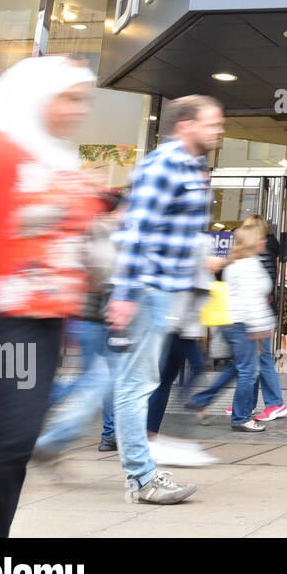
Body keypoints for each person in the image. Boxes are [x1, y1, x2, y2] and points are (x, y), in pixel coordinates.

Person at [0, 56, 102, 536]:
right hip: (1, 320)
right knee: (12, 440)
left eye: (83, 100)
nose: (77, 110)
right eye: (69, 98)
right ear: (35, 95)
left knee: (12, 441)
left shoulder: (56, 157)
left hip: (44, 323)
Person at [106, 94, 223, 505]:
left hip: (163, 294)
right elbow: (135, 230)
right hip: (146, 289)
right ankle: (141, 478)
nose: (220, 129)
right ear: (186, 125)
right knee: (136, 385)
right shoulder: (165, 164)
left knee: (135, 381)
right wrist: (125, 293)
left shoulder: (191, 167)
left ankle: (139, 469)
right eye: (212, 123)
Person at [34, 189, 125, 459]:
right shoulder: (98, 234)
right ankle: (52, 430)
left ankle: (108, 433)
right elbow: (99, 276)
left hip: (95, 320)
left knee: (101, 379)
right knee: (100, 379)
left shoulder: (101, 233)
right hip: (92, 320)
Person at [143, 231, 219, 466]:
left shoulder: (190, 247)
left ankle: (153, 436)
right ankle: (164, 435)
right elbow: (190, 291)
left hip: (181, 327)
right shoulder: (192, 247)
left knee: (166, 381)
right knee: (182, 376)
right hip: (179, 328)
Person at [190, 219, 273, 432]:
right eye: (261, 238)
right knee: (249, 372)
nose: (265, 241)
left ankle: (202, 398)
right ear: (254, 242)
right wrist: (258, 328)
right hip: (244, 325)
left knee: (236, 368)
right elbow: (251, 300)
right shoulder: (249, 266)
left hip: (233, 323)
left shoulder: (236, 264)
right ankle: (242, 417)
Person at [246, 215, 287, 421]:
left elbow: (266, 284)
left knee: (261, 360)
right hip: (257, 312)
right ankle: (247, 402)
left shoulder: (263, 251)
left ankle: (274, 403)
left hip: (259, 312)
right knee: (253, 359)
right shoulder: (261, 251)